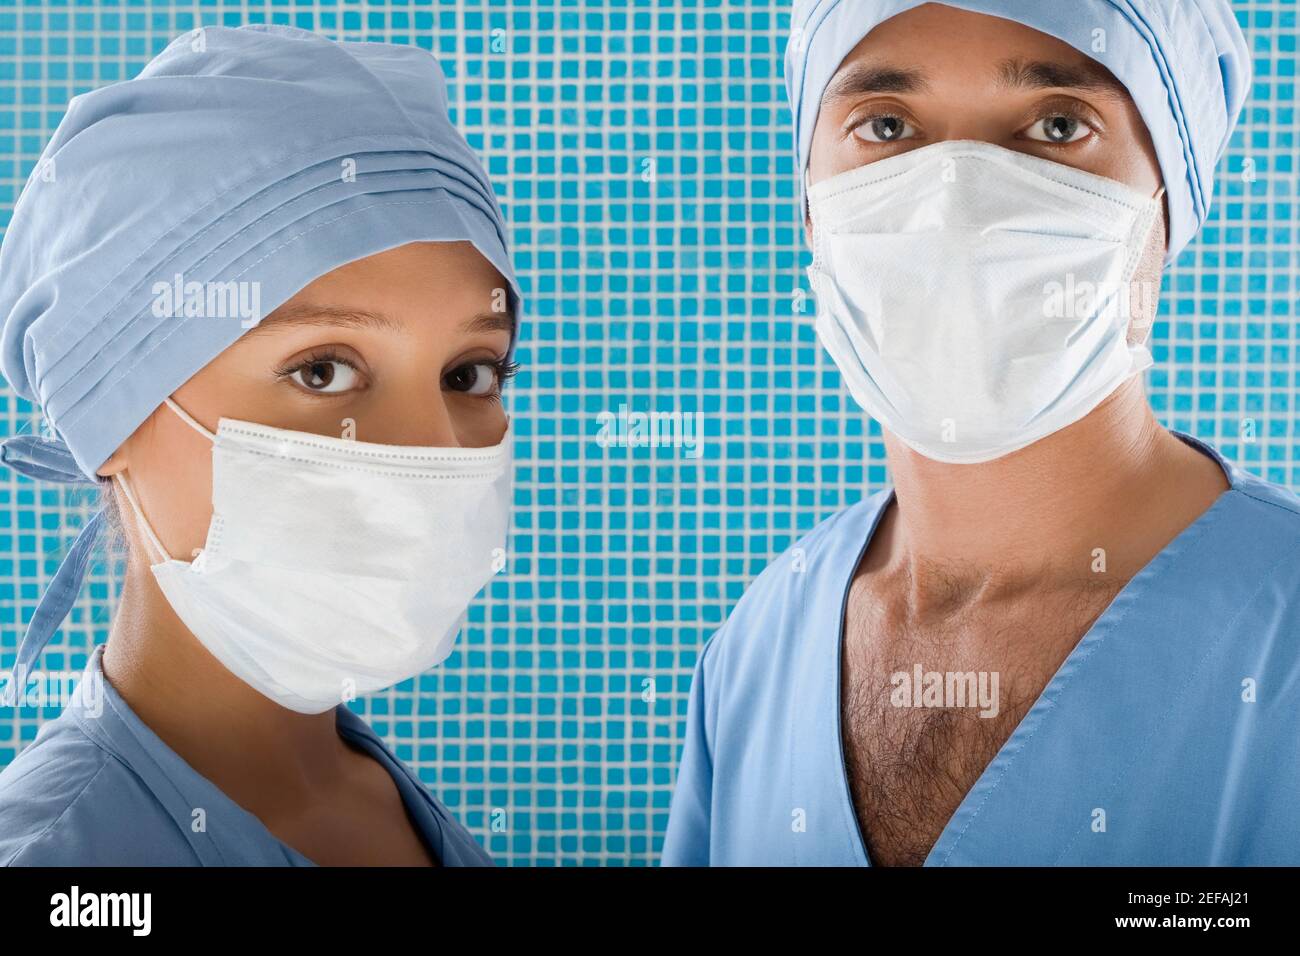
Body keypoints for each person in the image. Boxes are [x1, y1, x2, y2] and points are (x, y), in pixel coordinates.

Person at [663, 0, 1300, 866]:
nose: (954, 201)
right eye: (885, 126)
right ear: (810, 206)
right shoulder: (758, 654)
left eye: (1057, 125)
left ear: (1166, 210)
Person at [0, 24, 524, 866]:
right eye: (322, 371)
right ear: (111, 417)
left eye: (468, 375)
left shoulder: (372, 794)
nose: (432, 452)